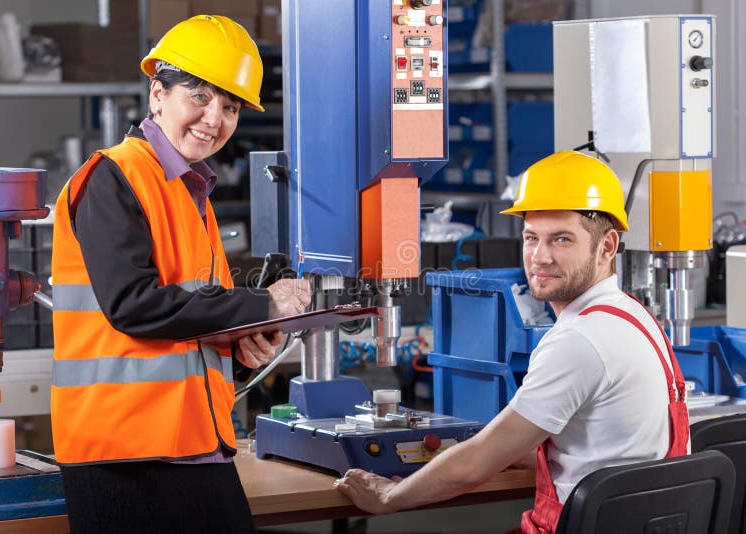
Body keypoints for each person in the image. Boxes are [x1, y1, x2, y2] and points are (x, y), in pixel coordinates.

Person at [50, 15, 311, 534]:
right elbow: (135, 305)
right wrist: (263, 305)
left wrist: (238, 345)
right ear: (157, 94)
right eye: (200, 96)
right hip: (126, 459)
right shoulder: (113, 176)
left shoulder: (191, 192)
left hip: (193, 445)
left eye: (230, 107)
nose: (214, 119)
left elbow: (186, 319)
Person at [335, 151, 689, 533]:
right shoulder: (634, 315)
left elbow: (474, 467)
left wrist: (390, 497)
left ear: (606, 247)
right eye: (532, 238)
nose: (540, 257)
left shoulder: (579, 339)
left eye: (562, 240)